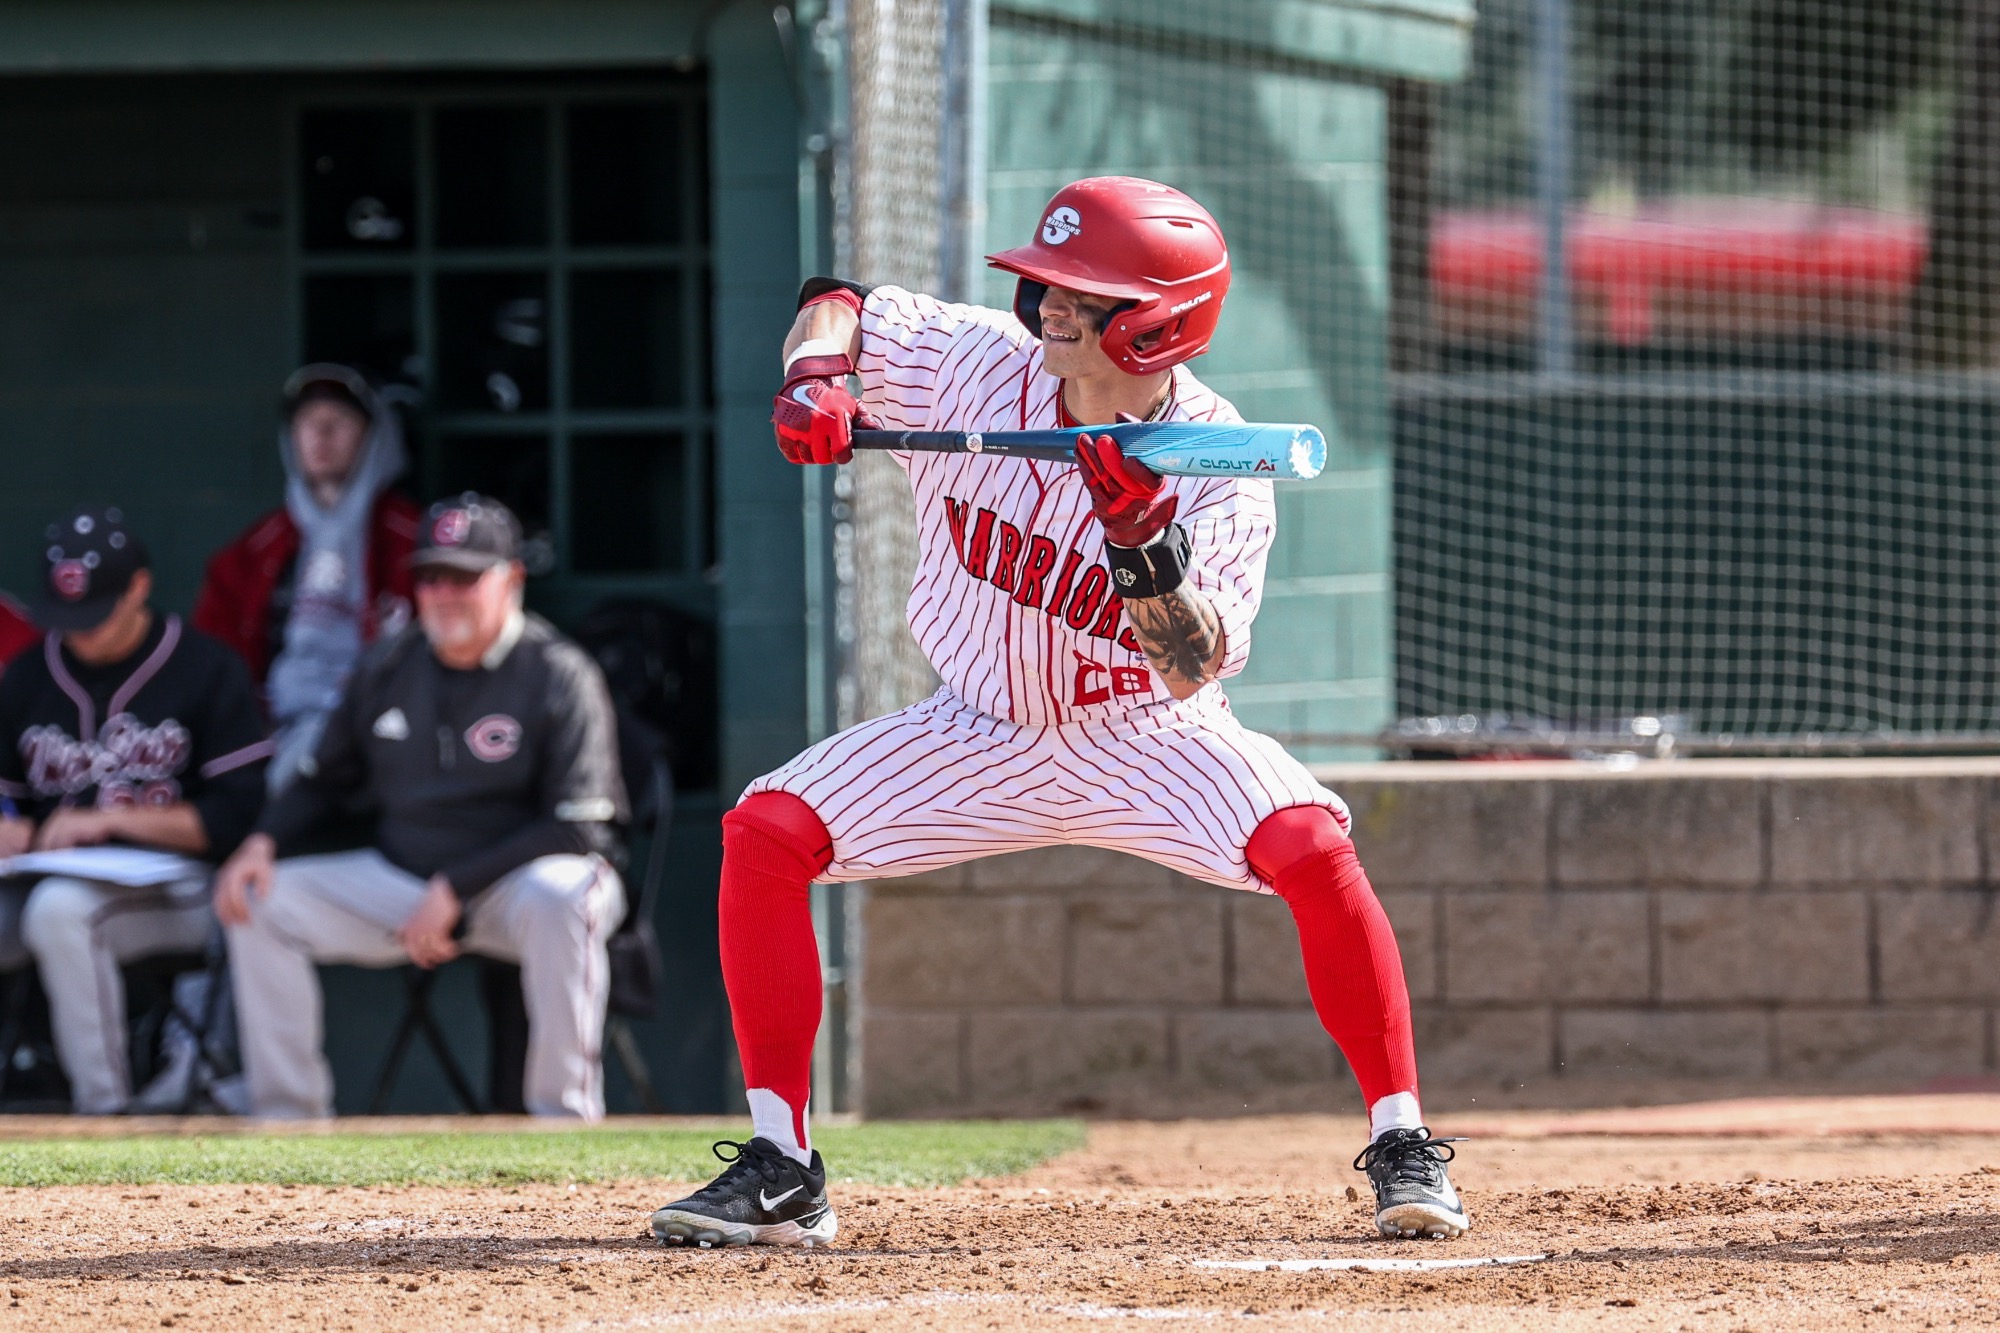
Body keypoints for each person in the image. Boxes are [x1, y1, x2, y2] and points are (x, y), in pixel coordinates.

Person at [649, 177, 1468, 1249]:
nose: (1048, 306)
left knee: (1309, 844)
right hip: (974, 724)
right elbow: (836, 297)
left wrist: (1141, 542)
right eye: (1046, 284)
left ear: (1155, 324)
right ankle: (782, 1167)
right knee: (764, 831)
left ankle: (1402, 1144)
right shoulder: (977, 360)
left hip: (1145, 737)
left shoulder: (1218, 465)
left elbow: (1189, 667)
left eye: (1081, 294)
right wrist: (815, 378)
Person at [214, 494, 628, 1120]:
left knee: (568, 895)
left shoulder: (557, 672)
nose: (443, 592)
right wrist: (261, 841)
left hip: (514, 890)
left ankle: (563, 1123)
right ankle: (288, 1121)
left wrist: (455, 889)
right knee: (258, 901)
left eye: (464, 576)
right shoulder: (389, 664)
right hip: (403, 884)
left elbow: (580, 829)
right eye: (431, 576)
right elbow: (320, 779)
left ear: (511, 580)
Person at [0, 507, 269, 1113]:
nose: (80, 632)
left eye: (95, 614)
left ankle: (106, 1117)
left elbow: (235, 817)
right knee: (53, 902)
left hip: (187, 893)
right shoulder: (26, 676)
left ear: (140, 588)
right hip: (46, 877)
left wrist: (112, 819)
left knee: (60, 912)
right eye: (68, 616)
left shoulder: (205, 667)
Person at [195, 364, 420, 793]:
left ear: (375, 436)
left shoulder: (413, 538)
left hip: (375, 731)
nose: (322, 434)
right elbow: (214, 662)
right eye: (307, 422)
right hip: (270, 726)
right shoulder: (255, 550)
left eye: (340, 421)